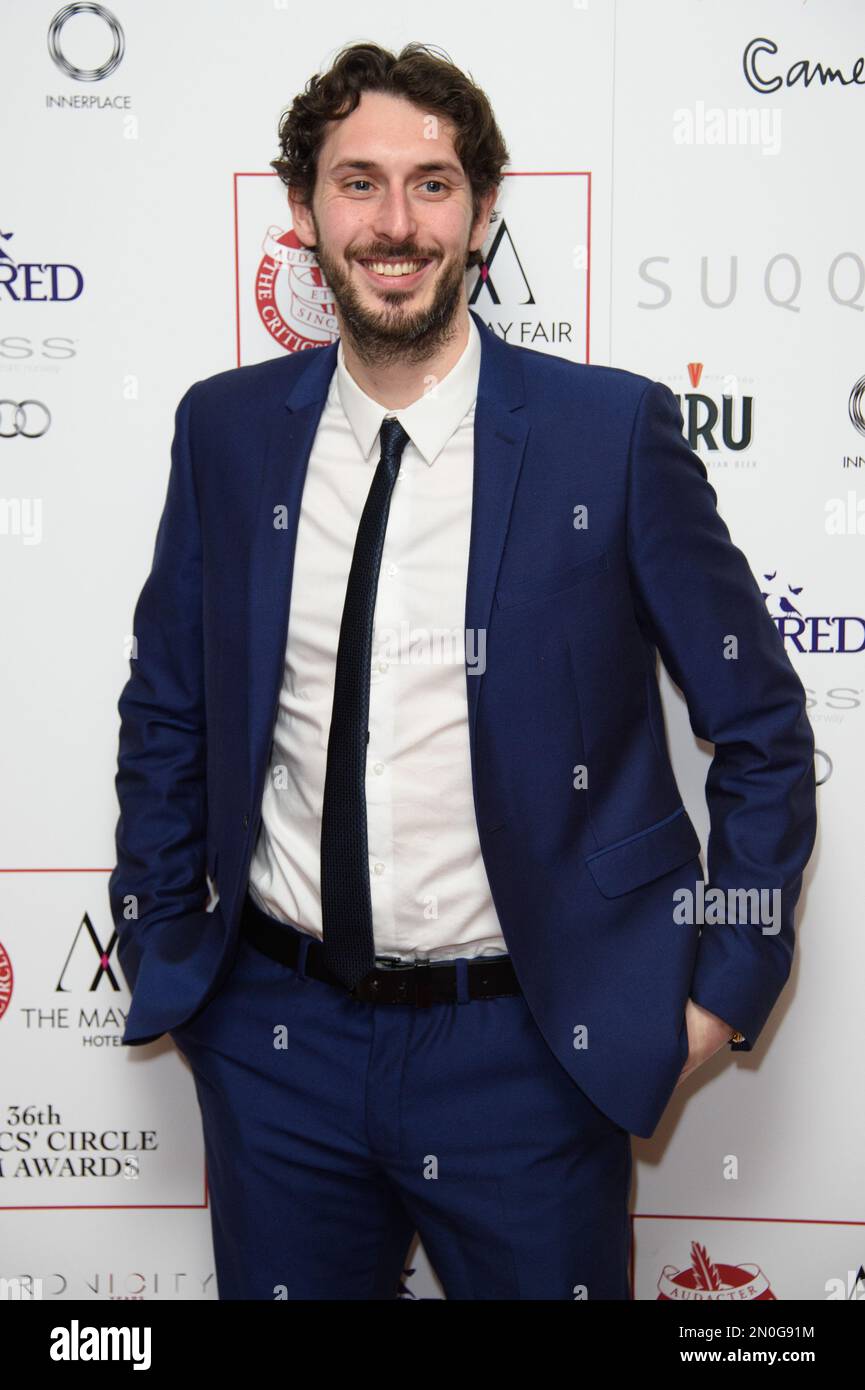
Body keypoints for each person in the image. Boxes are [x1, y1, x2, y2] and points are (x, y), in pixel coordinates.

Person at [108, 40, 817, 1301]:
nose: (394, 223)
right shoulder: (223, 432)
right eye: (358, 182)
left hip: (532, 1049)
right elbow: (168, 706)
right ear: (302, 211)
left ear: (483, 213)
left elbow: (760, 723)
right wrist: (170, 930)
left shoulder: (610, 436)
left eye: (433, 184)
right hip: (277, 1042)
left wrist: (722, 987)